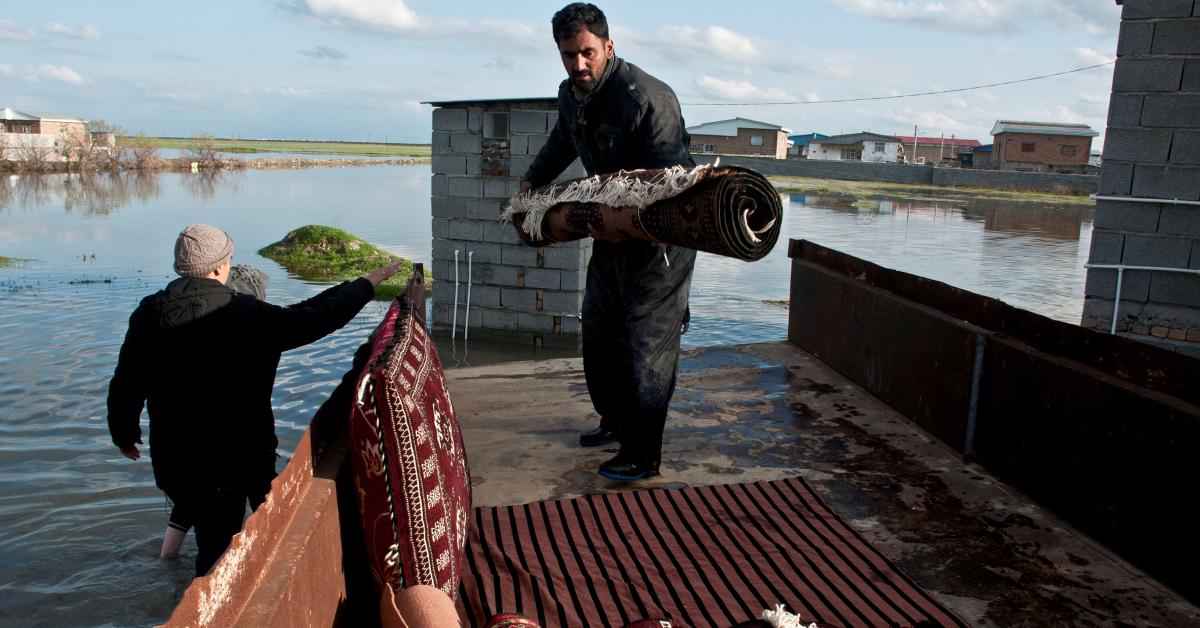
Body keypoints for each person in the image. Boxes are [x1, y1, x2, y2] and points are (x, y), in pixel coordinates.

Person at [107, 224, 408, 576]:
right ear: (220, 268)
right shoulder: (243, 314)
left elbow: (126, 382)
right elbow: (311, 319)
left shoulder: (148, 314)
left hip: (178, 461)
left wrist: (123, 433)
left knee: (218, 533)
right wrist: (365, 286)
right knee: (222, 554)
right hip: (238, 456)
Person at [519, 3, 696, 481]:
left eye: (587, 53)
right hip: (611, 235)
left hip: (660, 245)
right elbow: (563, 141)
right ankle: (615, 423)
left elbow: (670, 184)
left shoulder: (648, 98)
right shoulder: (570, 95)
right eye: (568, 56)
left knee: (647, 345)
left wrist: (629, 218)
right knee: (599, 334)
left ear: (608, 47)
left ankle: (643, 454)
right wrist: (532, 183)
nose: (578, 65)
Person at [157, 264, 270, 560]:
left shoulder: (194, 320)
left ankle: (167, 558)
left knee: (193, 500)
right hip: (235, 446)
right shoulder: (251, 322)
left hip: (192, 444)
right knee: (256, 504)